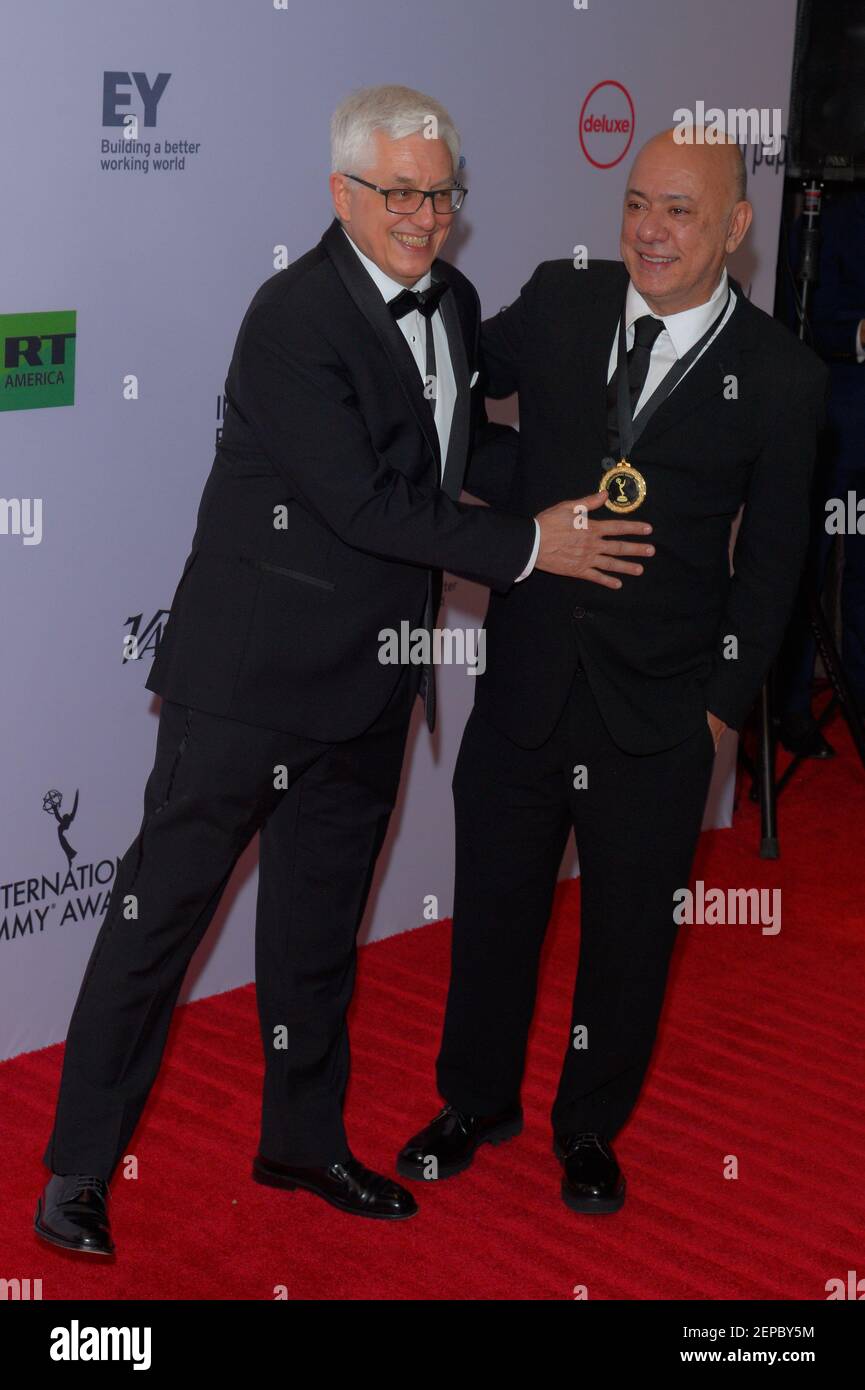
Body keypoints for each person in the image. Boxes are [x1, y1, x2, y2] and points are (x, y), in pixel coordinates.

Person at [34, 85, 647, 1255]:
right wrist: (533, 546)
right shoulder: (292, 318)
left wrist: (606, 484)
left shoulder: (456, 304)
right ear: (342, 192)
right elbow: (369, 501)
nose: (423, 216)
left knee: (317, 934)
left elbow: (463, 453)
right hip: (246, 684)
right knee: (154, 923)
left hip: (370, 687)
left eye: (439, 193)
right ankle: (75, 1170)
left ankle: (302, 1142)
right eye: (398, 192)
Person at [398, 128, 829, 1214]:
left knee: (629, 940)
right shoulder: (562, 296)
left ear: (735, 229)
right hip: (528, 679)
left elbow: (774, 567)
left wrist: (722, 717)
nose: (648, 229)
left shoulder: (780, 377)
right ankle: (474, 1103)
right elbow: (454, 372)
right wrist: (410, 251)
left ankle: (588, 1126)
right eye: (637, 202)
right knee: (495, 910)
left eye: (680, 211)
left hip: (661, 707)